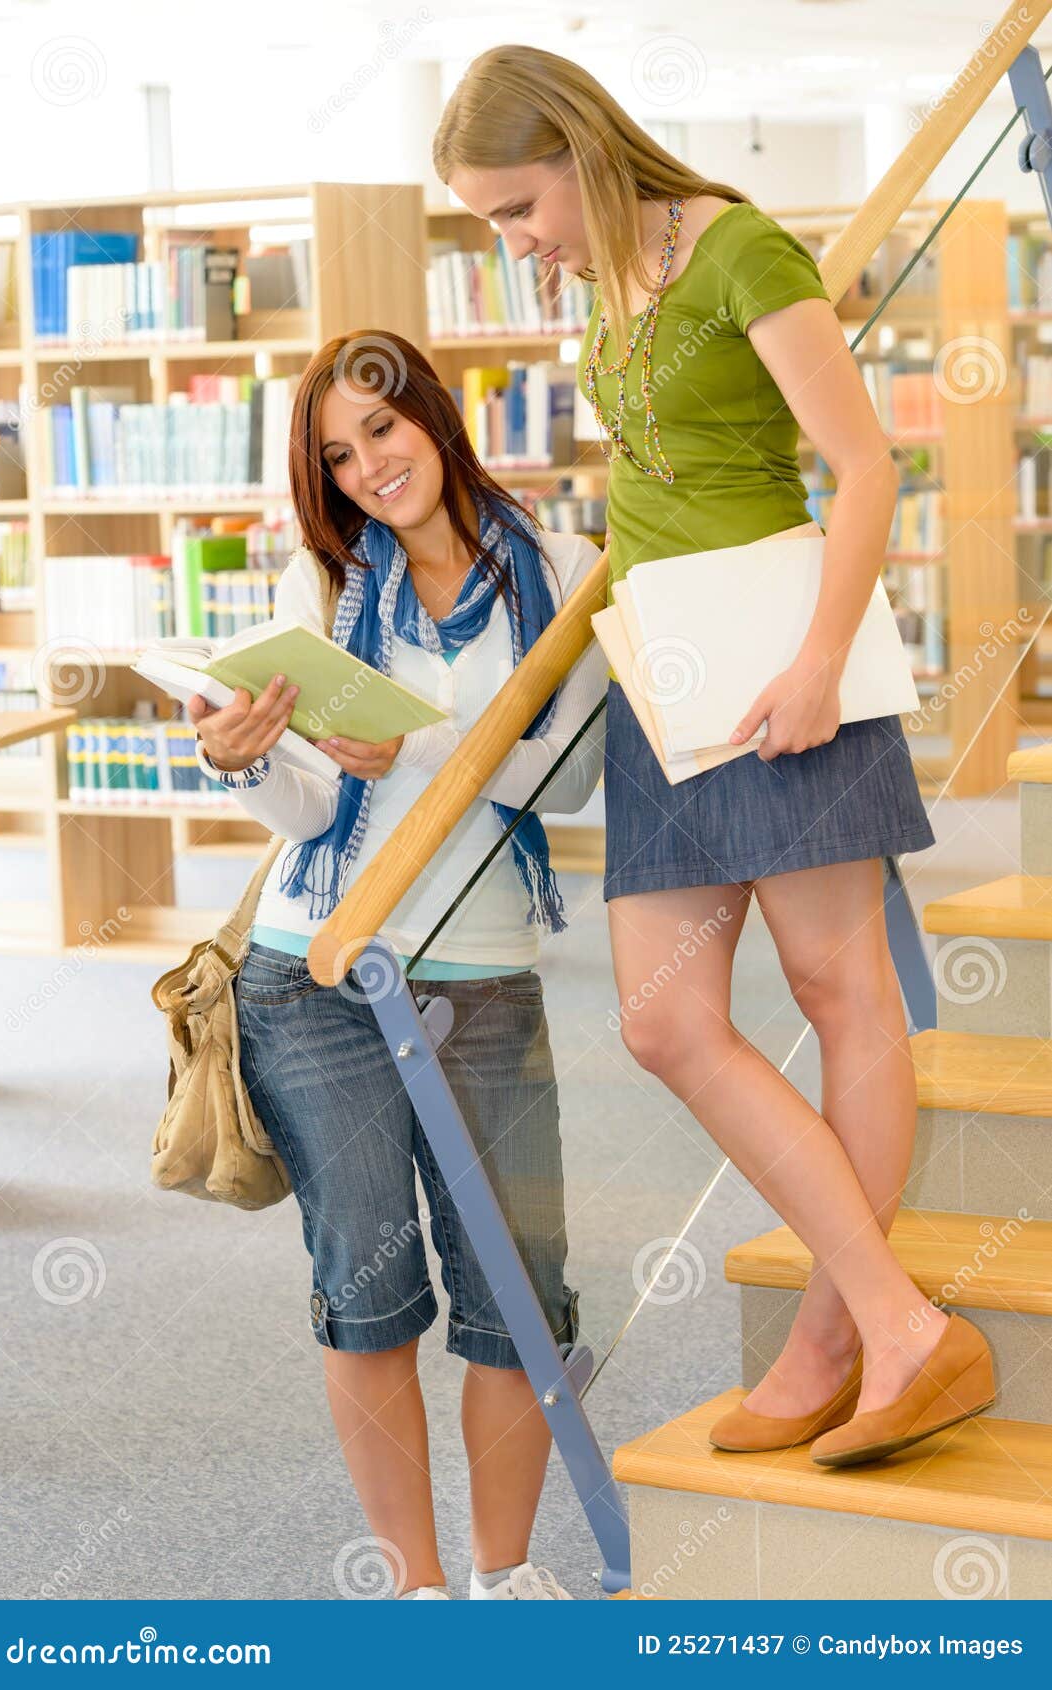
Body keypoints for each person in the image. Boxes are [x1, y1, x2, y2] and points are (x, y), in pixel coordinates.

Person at [433, 44, 996, 1468]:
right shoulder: (605, 286)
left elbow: (863, 468)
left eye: (515, 208)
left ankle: (831, 1347)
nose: (515, 243)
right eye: (494, 224)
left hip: (780, 662)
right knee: (662, 1020)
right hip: (666, 675)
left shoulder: (742, 248)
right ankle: (896, 1320)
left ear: (575, 147)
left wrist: (815, 662)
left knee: (838, 986)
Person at [188, 330, 608, 1595]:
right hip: (313, 976)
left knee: (516, 1291)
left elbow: (578, 780)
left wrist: (431, 749)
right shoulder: (321, 590)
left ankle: (505, 1580)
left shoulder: (564, 569)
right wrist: (250, 757)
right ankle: (418, 1596)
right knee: (365, 1289)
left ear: (431, 413)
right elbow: (311, 814)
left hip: (482, 975)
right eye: (338, 454)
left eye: (383, 429)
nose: (370, 467)